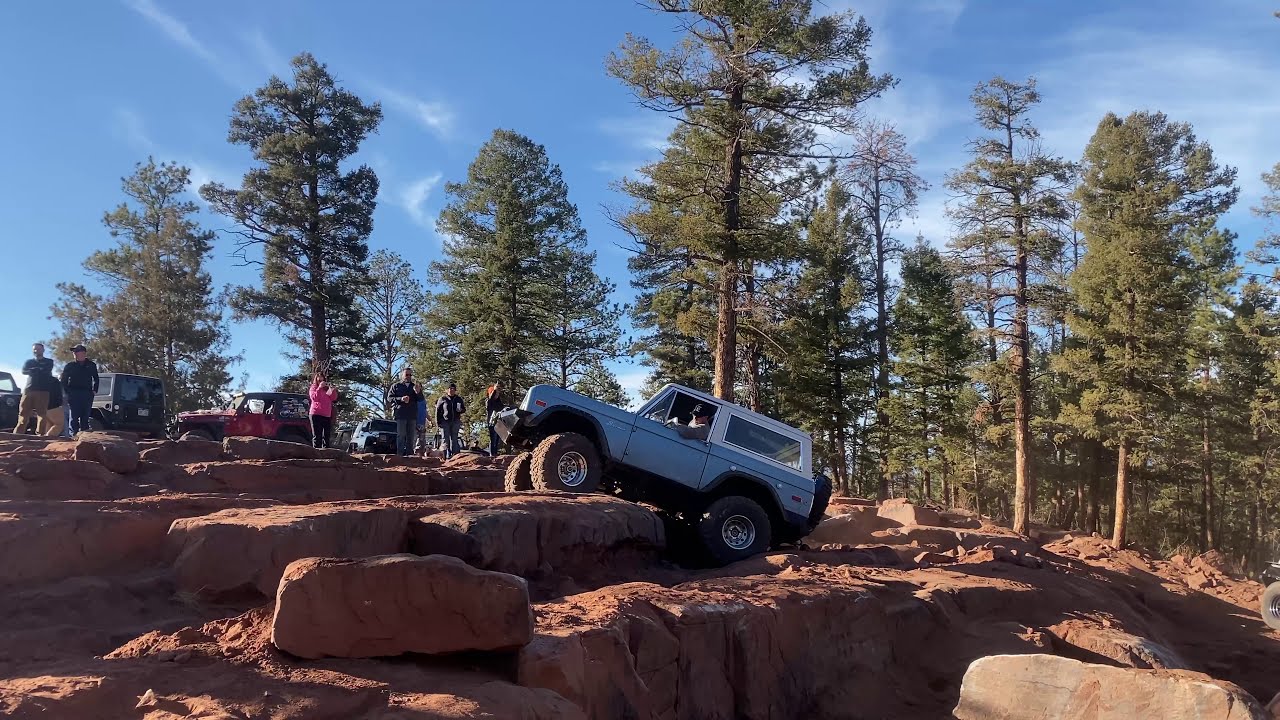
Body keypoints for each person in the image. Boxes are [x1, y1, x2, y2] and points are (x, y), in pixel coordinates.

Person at [13, 343, 54, 434]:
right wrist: (37, 369)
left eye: (38, 349)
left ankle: (40, 436)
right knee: (23, 414)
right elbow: (24, 371)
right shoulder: (29, 362)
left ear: (43, 350)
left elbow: (46, 370)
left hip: (43, 391)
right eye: (34, 349)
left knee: (41, 415)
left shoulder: (49, 361)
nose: (36, 351)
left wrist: (35, 370)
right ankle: (17, 435)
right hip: (29, 390)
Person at [60, 344, 99, 435]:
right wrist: (67, 392)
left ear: (83, 353)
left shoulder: (91, 365)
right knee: (74, 415)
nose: (75, 353)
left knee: (85, 416)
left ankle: (84, 435)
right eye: (74, 352)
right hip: (73, 393)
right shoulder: (70, 366)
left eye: (76, 351)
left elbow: (96, 378)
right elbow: (64, 380)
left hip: (87, 393)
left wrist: (94, 390)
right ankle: (73, 435)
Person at [387, 367, 424, 456]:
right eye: (407, 374)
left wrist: (418, 392)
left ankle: (409, 455)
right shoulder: (396, 386)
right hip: (401, 414)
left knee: (411, 436)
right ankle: (399, 455)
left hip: (412, 415)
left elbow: (421, 399)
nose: (408, 376)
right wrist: (401, 399)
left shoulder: (414, 386)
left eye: (410, 375)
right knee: (401, 435)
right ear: (402, 375)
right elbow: (389, 398)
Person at [435, 382, 466, 458]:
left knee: (454, 439)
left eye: (453, 389)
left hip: (455, 421)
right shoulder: (443, 399)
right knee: (445, 439)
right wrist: (438, 422)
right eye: (450, 388)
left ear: (455, 390)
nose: (451, 390)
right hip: (445, 421)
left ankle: (455, 456)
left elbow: (464, 409)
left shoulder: (458, 399)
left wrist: (460, 410)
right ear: (447, 390)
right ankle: (445, 456)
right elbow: (438, 411)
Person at [308, 373, 338, 448]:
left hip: (327, 415)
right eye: (319, 379)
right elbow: (314, 398)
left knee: (326, 436)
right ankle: (316, 454)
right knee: (317, 436)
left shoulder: (326, 389)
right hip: (316, 414)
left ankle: (326, 453)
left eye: (322, 378)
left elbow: (333, 398)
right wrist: (319, 388)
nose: (321, 380)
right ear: (316, 379)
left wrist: (333, 390)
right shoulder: (313, 387)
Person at [485, 381, 506, 456]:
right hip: (491, 421)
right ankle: (492, 454)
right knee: (492, 438)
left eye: (498, 393)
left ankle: (495, 453)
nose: (497, 394)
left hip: (498, 422)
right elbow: (491, 399)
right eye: (495, 393)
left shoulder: (498, 402)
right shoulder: (489, 401)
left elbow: (502, 408)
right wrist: (494, 389)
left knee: (497, 438)